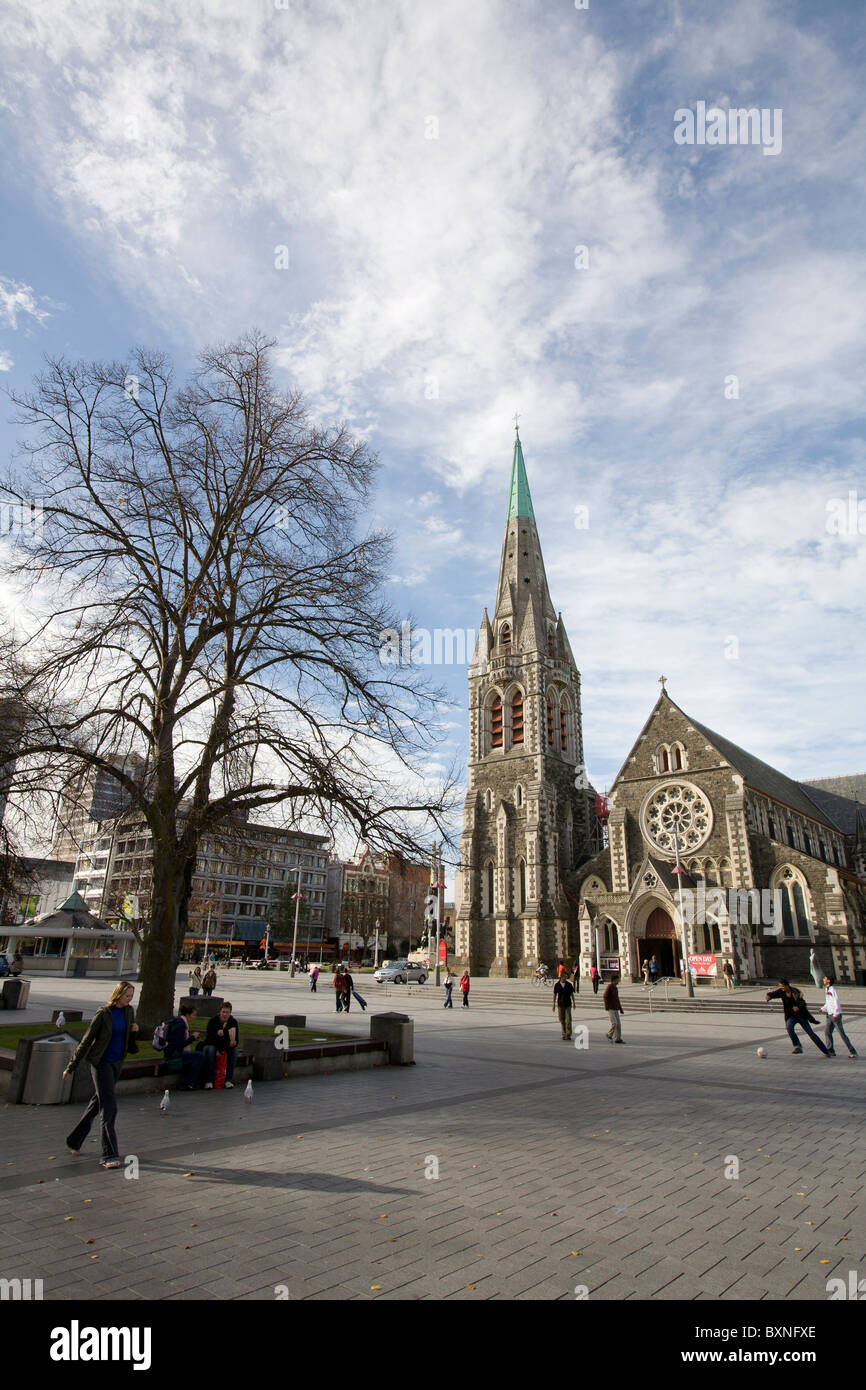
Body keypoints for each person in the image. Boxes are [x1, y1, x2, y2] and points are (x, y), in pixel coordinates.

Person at [63, 980, 140, 1169]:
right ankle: (108, 1154)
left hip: (117, 1062)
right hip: (101, 1063)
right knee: (109, 1107)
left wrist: (134, 1031)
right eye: (127, 996)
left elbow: (127, 1038)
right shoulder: (104, 1014)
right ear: (118, 994)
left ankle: (74, 1140)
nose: (129, 999)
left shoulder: (129, 1012)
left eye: (131, 996)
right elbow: (87, 1040)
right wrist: (71, 1066)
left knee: (98, 1101)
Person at [765, 979, 830, 1056]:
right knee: (789, 1028)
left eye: (782, 987)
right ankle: (797, 1046)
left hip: (801, 1015)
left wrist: (798, 1007)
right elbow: (773, 994)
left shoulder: (796, 992)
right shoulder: (781, 991)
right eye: (780, 987)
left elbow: (803, 1003)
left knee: (811, 1034)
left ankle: (825, 1051)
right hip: (790, 1016)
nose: (781, 988)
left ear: (787, 986)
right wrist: (768, 996)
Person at [164, 1002, 207, 1087]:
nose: (195, 1017)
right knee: (199, 1056)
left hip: (171, 1052)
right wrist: (192, 1038)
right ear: (187, 1014)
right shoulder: (181, 1025)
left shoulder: (178, 1021)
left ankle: (189, 1081)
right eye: (194, 1015)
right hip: (174, 1054)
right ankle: (188, 1083)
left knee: (196, 1055)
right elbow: (179, 1044)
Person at [202, 1001, 239, 1088]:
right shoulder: (213, 1021)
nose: (225, 1014)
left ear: (230, 1013)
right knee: (211, 1050)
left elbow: (236, 1039)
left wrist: (233, 1043)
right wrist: (217, 1035)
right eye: (223, 1012)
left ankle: (228, 1080)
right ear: (220, 1012)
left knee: (234, 1051)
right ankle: (209, 1080)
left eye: (227, 1012)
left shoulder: (233, 1022)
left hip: (226, 1046)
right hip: (213, 1044)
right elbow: (208, 1039)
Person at [820, 975, 857, 1058]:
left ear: (828, 981)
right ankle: (830, 1050)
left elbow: (836, 1002)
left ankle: (853, 1051)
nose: (823, 980)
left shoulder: (833, 990)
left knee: (842, 1034)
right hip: (829, 1015)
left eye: (825, 979)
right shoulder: (827, 989)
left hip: (835, 1015)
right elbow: (828, 1002)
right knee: (827, 1032)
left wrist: (836, 1014)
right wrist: (822, 1009)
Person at [552, 972, 576, 1040]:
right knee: (562, 1020)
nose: (566, 978)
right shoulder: (557, 985)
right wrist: (553, 1004)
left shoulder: (569, 984)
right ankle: (564, 1033)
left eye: (566, 977)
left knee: (568, 1020)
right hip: (560, 1004)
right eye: (564, 977)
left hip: (568, 1004)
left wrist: (574, 1002)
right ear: (561, 977)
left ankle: (568, 1035)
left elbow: (572, 994)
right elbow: (555, 994)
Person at [603, 974, 625, 1043]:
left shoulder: (615, 988)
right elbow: (605, 996)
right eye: (618, 979)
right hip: (610, 1008)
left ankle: (618, 1038)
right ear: (614, 980)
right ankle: (609, 1034)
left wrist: (620, 1008)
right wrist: (606, 1006)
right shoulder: (609, 986)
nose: (619, 981)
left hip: (615, 1008)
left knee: (618, 1024)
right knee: (614, 1023)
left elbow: (617, 999)